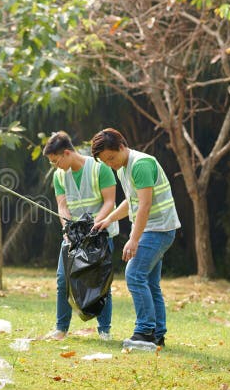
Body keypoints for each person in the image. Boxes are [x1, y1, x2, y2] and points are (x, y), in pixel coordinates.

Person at [91, 128, 181, 350]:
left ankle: (144, 333)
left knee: (134, 275)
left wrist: (133, 239)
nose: (110, 164)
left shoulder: (140, 164)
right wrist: (108, 219)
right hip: (155, 228)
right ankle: (157, 335)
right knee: (150, 283)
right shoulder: (123, 167)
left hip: (158, 229)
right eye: (105, 162)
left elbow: (145, 205)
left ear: (122, 146)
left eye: (111, 158)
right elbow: (131, 202)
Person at [40, 131, 119, 341]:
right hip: (73, 236)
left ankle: (104, 331)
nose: (55, 166)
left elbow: (110, 202)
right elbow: (62, 205)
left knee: (101, 282)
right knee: (62, 279)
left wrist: (94, 226)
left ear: (67, 153)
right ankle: (61, 329)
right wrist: (67, 227)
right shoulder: (59, 175)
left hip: (99, 233)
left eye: (56, 161)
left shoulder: (100, 168)